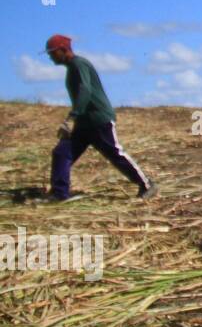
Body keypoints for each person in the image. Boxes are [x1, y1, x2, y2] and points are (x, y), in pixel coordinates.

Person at [42, 34, 157, 203]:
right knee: (62, 152)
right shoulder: (72, 67)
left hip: (98, 120)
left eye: (52, 53)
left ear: (63, 50)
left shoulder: (79, 64)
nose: (50, 57)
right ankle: (59, 194)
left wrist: (72, 117)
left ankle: (147, 185)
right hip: (84, 123)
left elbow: (85, 90)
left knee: (115, 154)